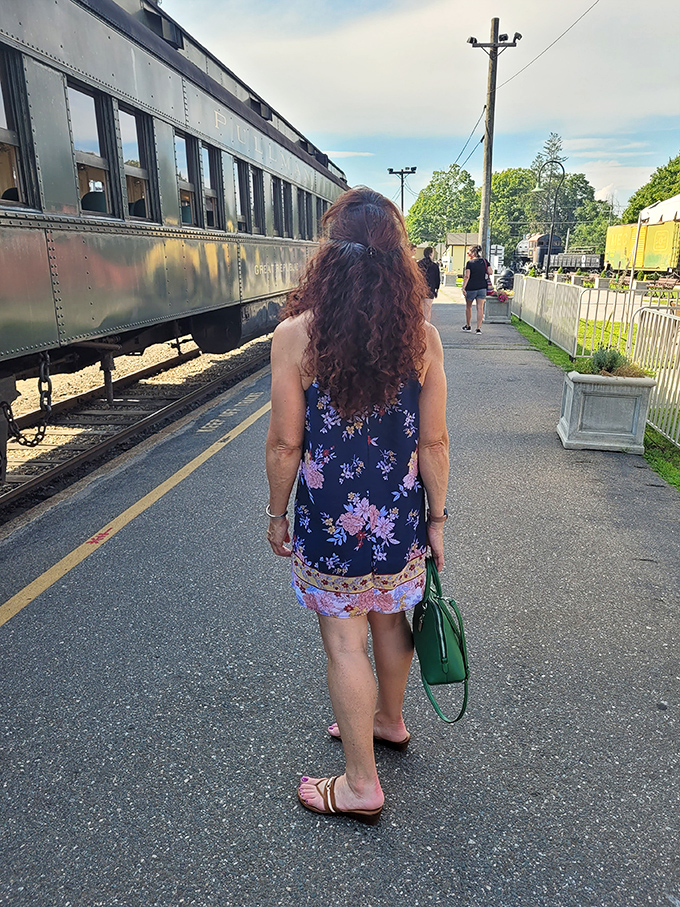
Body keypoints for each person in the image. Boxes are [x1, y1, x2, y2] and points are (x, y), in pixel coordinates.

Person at [265, 187, 449, 826]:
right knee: (392, 622)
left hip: (330, 521)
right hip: (399, 519)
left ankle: (360, 783)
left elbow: (288, 442)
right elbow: (434, 442)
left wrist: (276, 513)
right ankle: (389, 722)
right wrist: (437, 519)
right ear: (397, 259)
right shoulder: (422, 337)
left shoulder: (294, 337)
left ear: (327, 258)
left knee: (345, 642)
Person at [462, 244, 493, 333]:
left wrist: (463, 287)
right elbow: (490, 272)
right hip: (482, 287)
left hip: (471, 287)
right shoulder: (484, 261)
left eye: (469, 251)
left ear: (473, 252)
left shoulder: (470, 263)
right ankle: (478, 328)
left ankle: (468, 326)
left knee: (469, 307)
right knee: (480, 308)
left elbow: (467, 276)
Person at [417, 246, 441, 322]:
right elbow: (437, 279)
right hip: (430, 289)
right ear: (431, 254)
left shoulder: (418, 264)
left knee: (419, 311)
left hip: (419, 289)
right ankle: (427, 327)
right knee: (427, 311)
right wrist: (437, 289)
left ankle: (420, 327)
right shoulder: (434, 266)